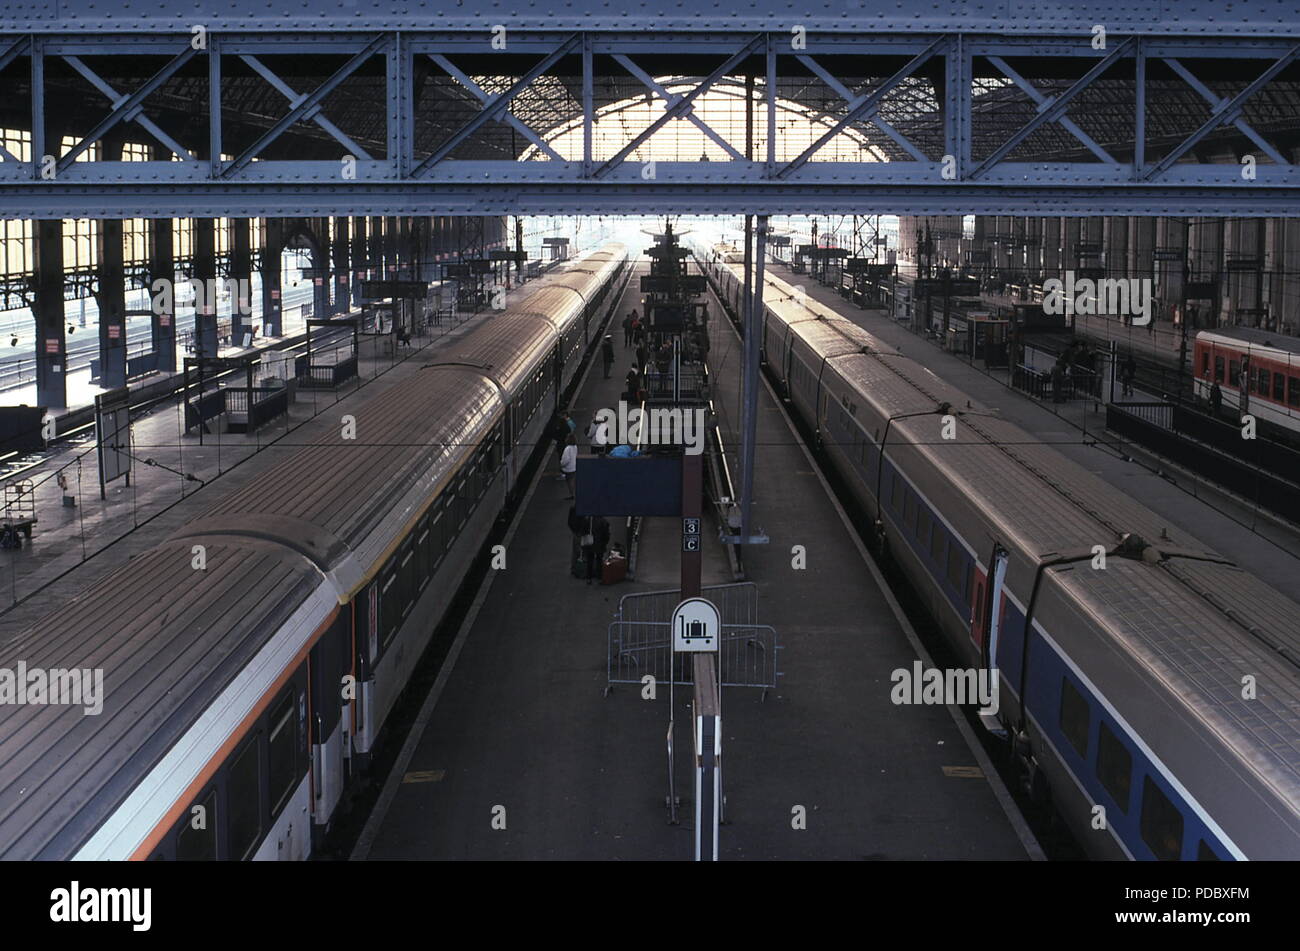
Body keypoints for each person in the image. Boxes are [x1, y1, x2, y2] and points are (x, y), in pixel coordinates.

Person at [560, 433, 578, 499]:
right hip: (574, 467)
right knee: (572, 481)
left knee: (569, 482)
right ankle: (573, 494)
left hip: (568, 468)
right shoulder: (575, 447)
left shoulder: (567, 449)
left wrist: (561, 464)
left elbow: (565, 460)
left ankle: (571, 495)